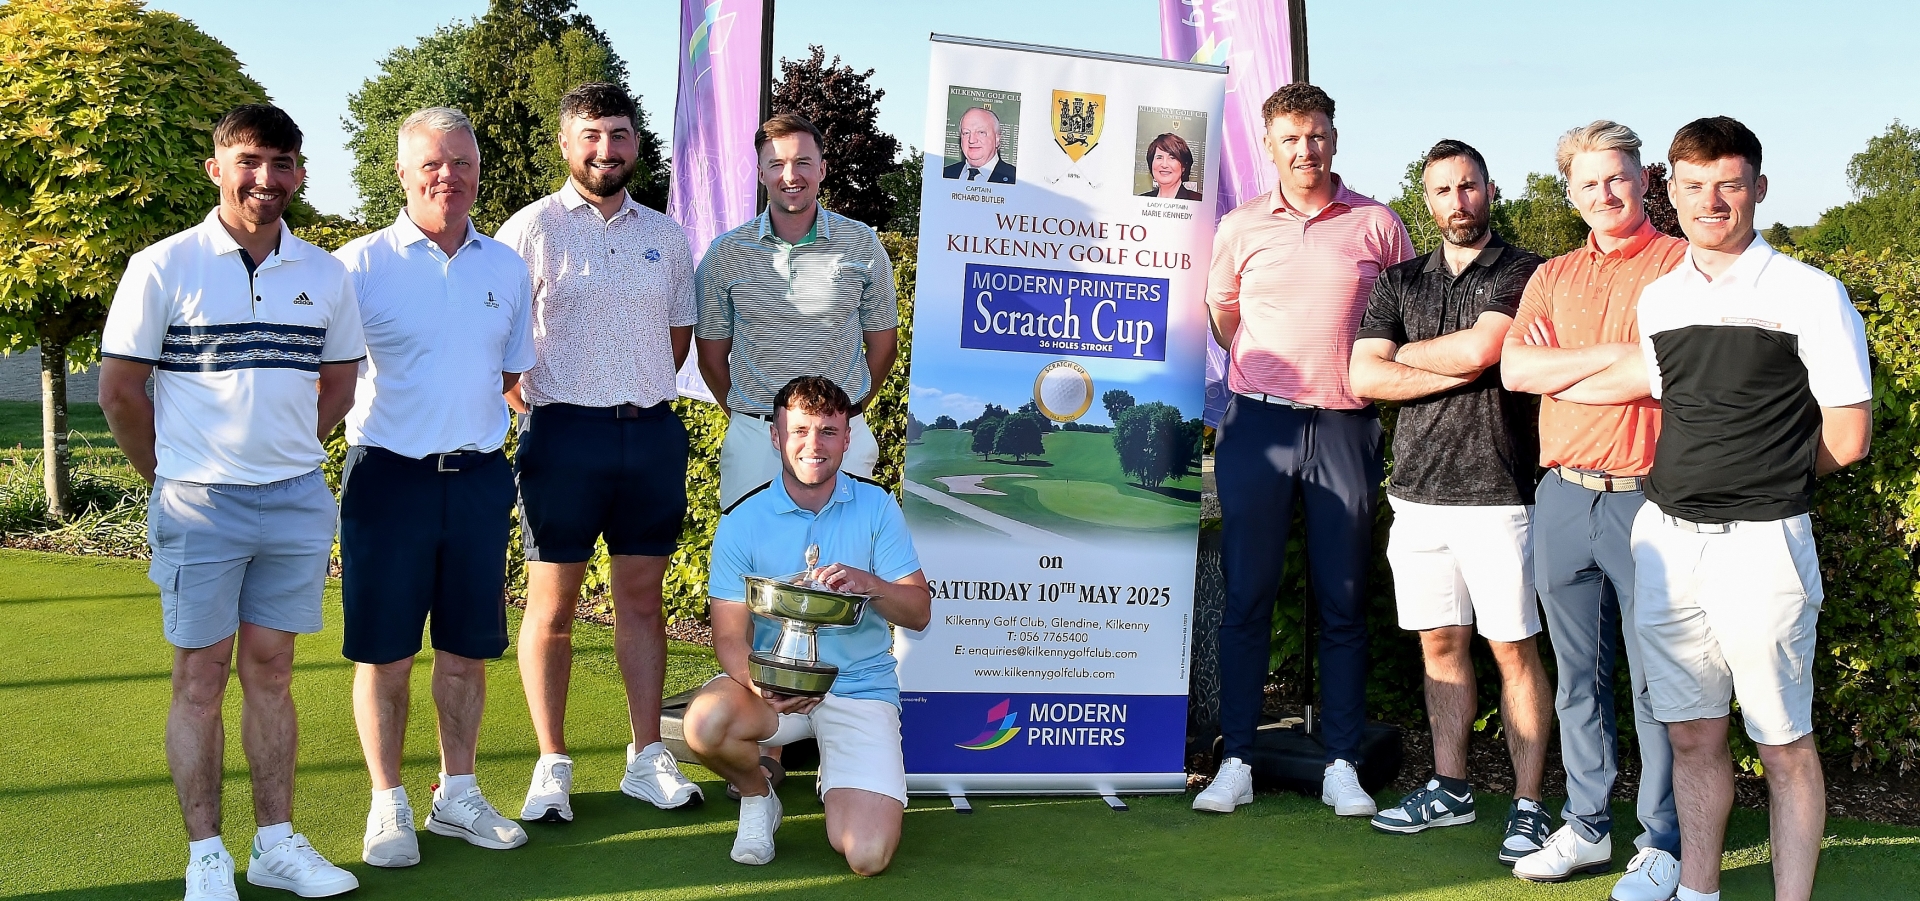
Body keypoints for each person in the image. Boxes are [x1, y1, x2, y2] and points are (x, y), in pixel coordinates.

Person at [98, 104, 362, 900]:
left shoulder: (325, 273)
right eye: (249, 161)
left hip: (292, 501)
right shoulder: (162, 265)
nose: (266, 179)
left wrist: (282, 450)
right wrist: (171, 472)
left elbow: (339, 384)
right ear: (217, 168)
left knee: (273, 672)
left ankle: (276, 843)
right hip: (198, 503)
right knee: (201, 676)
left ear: (299, 174)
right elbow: (118, 393)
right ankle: (207, 854)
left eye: (282, 163)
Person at [1631, 117, 1871, 901]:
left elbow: (1849, 434)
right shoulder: (1659, 299)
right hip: (1667, 544)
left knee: (1782, 745)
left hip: (1764, 547)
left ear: (1758, 188)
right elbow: (1687, 413)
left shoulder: (1809, 292)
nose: (1713, 201)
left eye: (1729, 184)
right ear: (1670, 191)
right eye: (1694, 186)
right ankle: (1699, 893)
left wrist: (1764, 486)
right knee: (1694, 735)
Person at [1193, 83, 1416, 816]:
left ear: (1334, 137)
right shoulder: (1241, 226)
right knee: (1248, 594)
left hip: (1346, 426)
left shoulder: (1378, 225)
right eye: (1290, 137)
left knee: (1344, 598)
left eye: (1316, 135)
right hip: (1259, 425)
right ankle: (1238, 759)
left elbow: (1402, 320)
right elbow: (1225, 315)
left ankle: (1344, 762)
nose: (1305, 149)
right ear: (1269, 144)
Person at [494, 82, 706, 824]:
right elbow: (504, 354)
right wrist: (548, 407)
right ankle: (552, 761)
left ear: (636, 145)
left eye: (617, 134)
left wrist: (628, 387)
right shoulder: (530, 230)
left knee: (641, 603)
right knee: (551, 608)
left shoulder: (668, 235)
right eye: (590, 135)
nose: (604, 149)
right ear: (565, 142)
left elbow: (674, 339)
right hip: (562, 434)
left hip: (649, 433)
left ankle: (646, 756)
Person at [333, 106, 536, 866]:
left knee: (464, 651)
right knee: (384, 655)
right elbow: (330, 379)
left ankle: (457, 794)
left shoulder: (505, 266)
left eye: (462, 162)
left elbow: (511, 373)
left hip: (479, 480)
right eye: (432, 163)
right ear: (403, 172)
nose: (448, 176)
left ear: (479, 171)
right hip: (388, 481)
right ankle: (388, 804)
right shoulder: (358, 265)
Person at [1348, 140, 1551, 863]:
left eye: (1468, 186)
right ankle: (1451, 786)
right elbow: (1362, 376)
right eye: (1442, 190)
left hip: (1501, 492)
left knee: (1513, 650)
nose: (1457, 201)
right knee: (1440, 645)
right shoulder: (1399, 280)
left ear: (1489, 190)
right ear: (1425, 201)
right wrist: (1439, 359)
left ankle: (1529, 804)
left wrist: (1404, 356)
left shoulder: (1526, 271)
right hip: (1418, 495)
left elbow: (1483, 351)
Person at [1501, 121, 1687, 899]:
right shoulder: (1550, 274)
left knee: (1657, 683)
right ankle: (1586, 823)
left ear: (1645, 179)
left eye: (1617, 176)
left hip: (1651, 498)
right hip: (1563, 496)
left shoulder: (1683, 265)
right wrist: (1615, 366)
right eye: (1588, 183)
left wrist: (1566, 372)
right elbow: (1516, 367)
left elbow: (1667, 371)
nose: (1604, 193)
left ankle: (1663, 841)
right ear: (1570, 192)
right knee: (1577, 677)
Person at [682, 376, 931, 874]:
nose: (812, 445)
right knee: (704, 724)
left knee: (867, 855)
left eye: (827, 431)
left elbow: (919, 611)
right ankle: (758, 798)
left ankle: (837, 770)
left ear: (847, 438)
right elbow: (729, 636)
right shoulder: (742, 520)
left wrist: (870, 584)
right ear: (776, 437)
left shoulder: (877, 507)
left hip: (859, 687)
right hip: (774, 689)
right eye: (799, 430)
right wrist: (761, 682)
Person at [696, 113, 900, 511]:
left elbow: (884, 347)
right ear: (760, 172)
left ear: (822, 168)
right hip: (757, 441)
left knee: (846, 567)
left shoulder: (862, 244)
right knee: (753, 570)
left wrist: (842, 413)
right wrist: (760, 416)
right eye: (777, 164)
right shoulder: (725, 254)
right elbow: (710, 357)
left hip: (843, 437)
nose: (791, 175)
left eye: (803, 162)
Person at [941, 106, 1017, 183]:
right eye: (966, 133)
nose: (972, 140)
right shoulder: (945, 174)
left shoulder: (1015, 179)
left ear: (997, 139)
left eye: (981, 132)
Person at [1139, 132, 1203, 200]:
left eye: (1172, 158)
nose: (1164, 165)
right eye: (1159, 157)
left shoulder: (1198, 202)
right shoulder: (1141, 201)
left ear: (1184, 166)